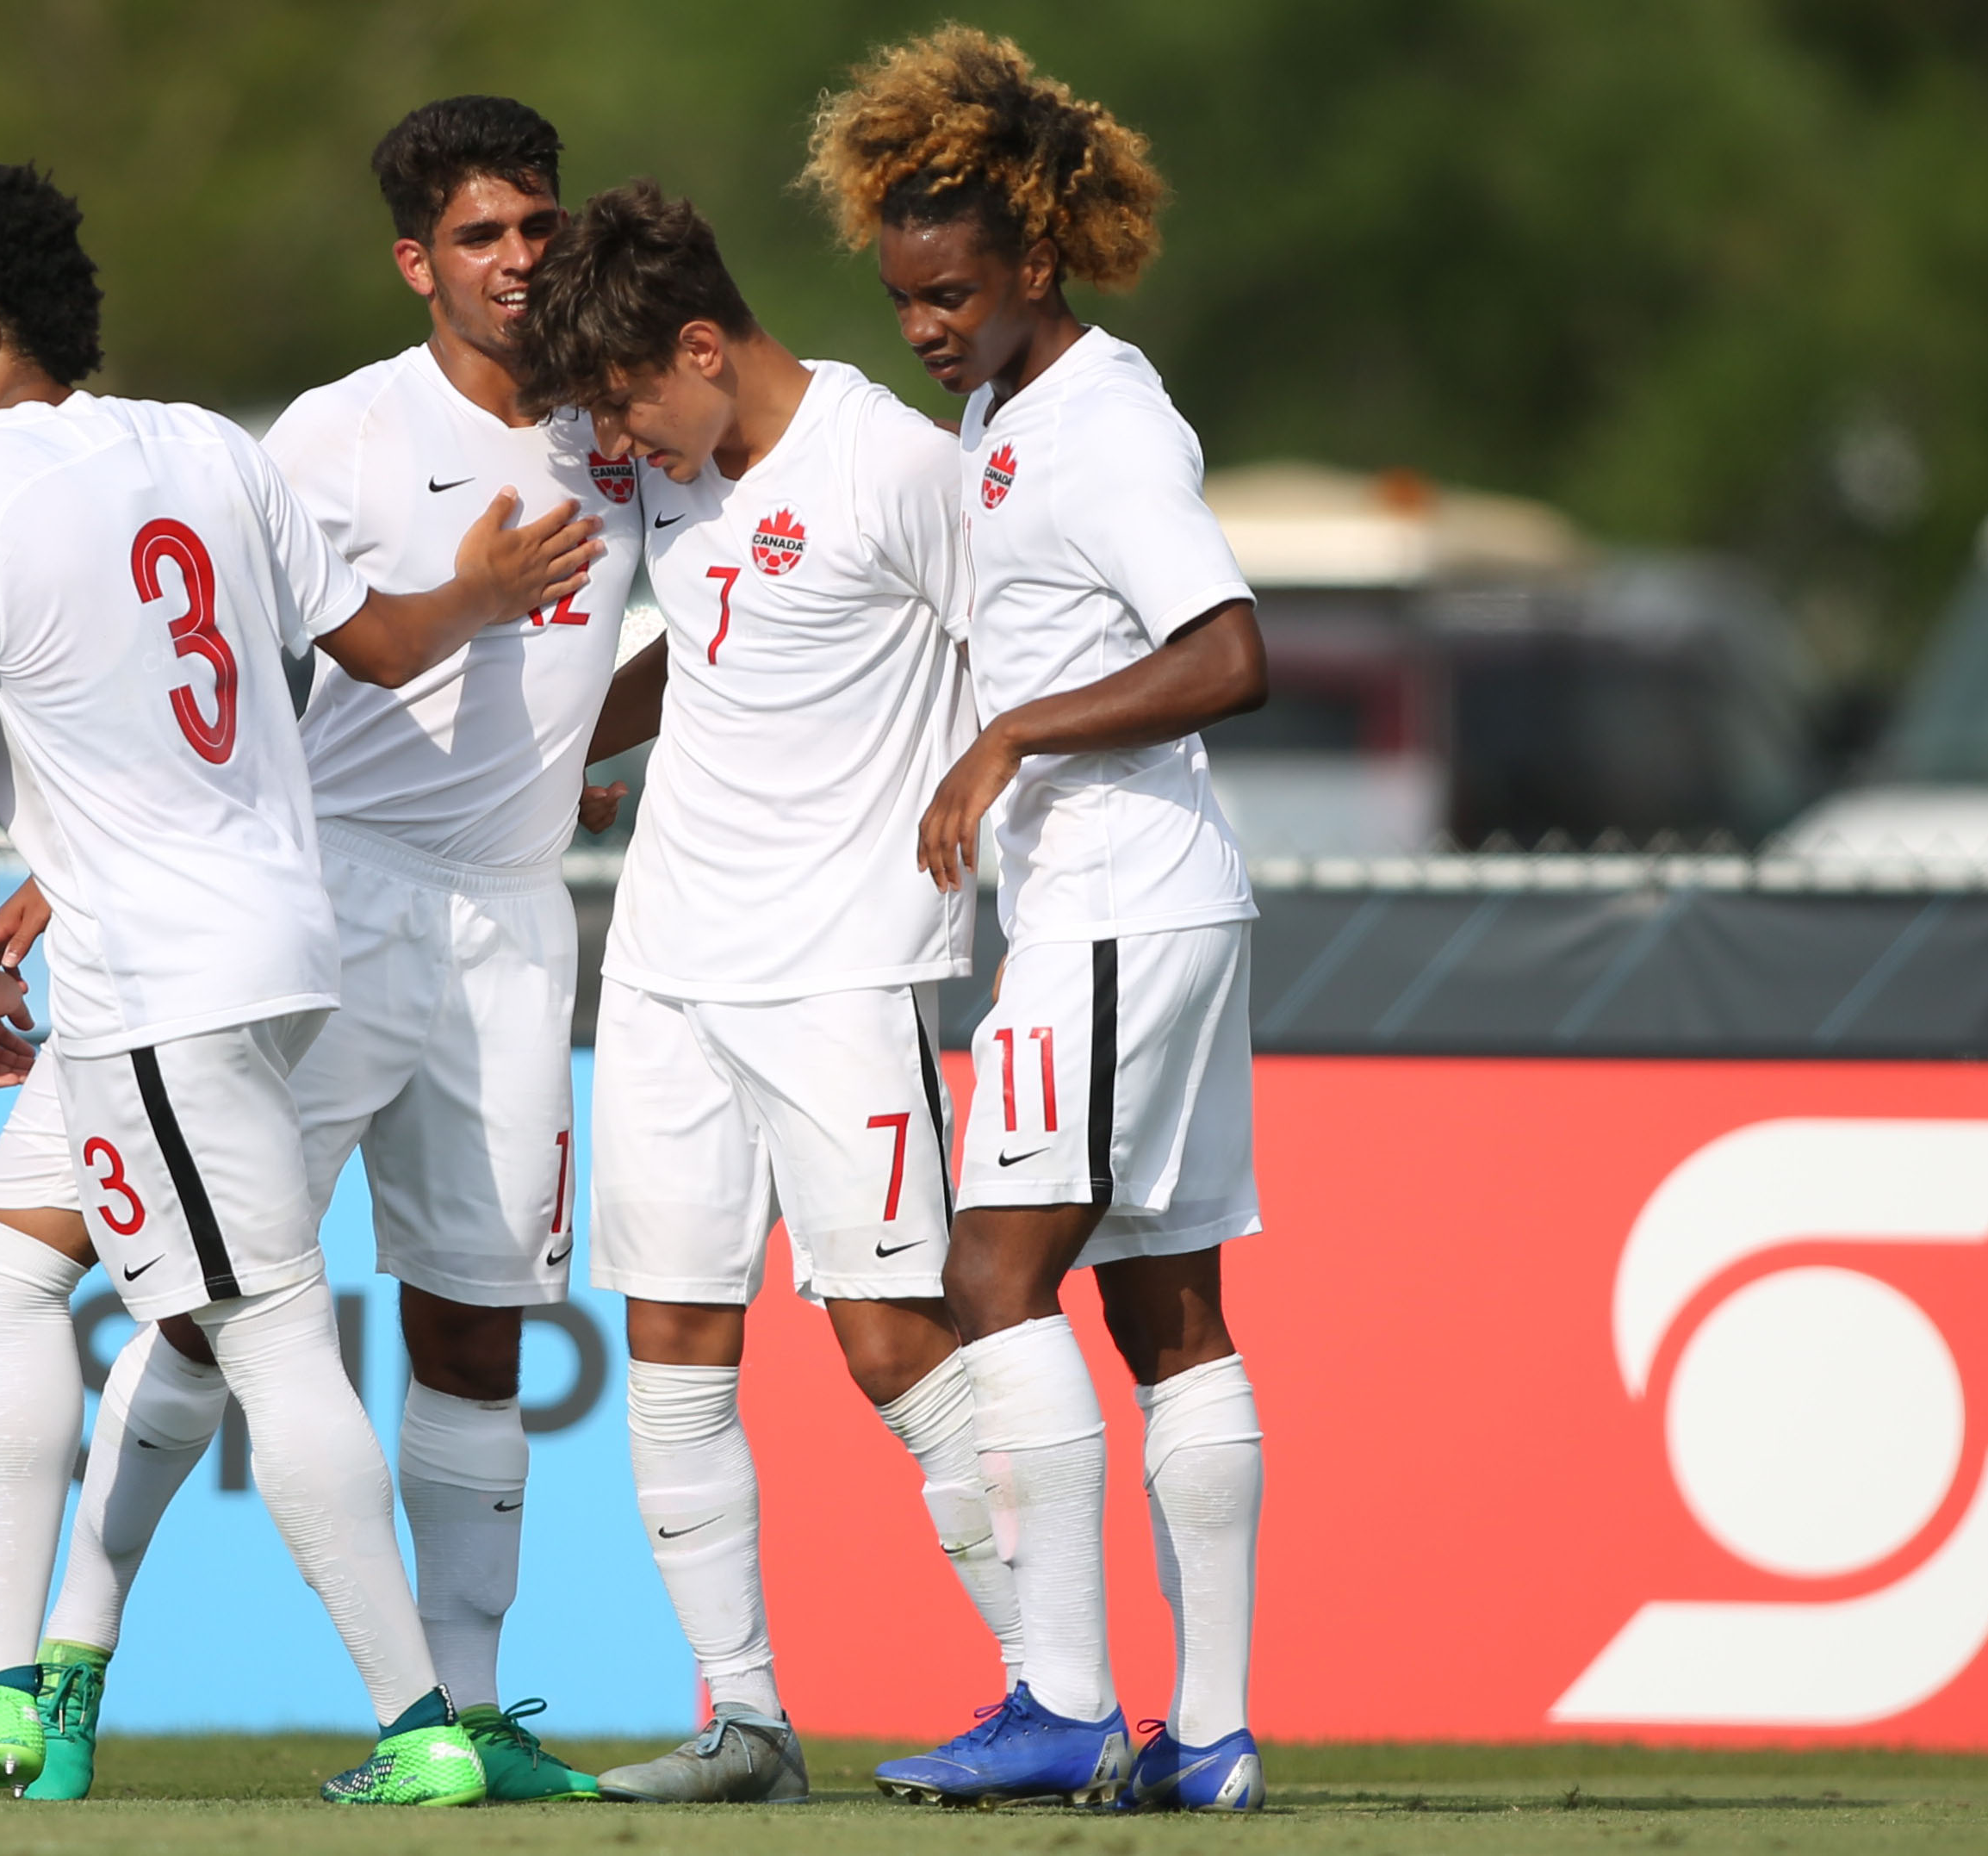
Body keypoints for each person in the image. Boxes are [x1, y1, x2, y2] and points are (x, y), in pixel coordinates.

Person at [0, 159, 598, 1808]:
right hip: (277, 939)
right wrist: (484, 594)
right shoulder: (205, 444)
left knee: (264, 1329)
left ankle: (420, 1723)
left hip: (155, 976)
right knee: (4, 1269)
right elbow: (370, 650)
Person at [12, 95, 645, 1803]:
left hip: (517, 923)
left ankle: (464, 1716)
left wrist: (577, 744)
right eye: (479, 235)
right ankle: (68, 1663)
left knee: (480, 1331)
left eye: (536, 226)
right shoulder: (342, 431)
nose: (516, 260)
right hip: (339, 907)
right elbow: (197, 657)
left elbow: (684, 630)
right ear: (415, 262)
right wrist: (85, 853)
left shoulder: (619, 424)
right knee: (215, 1311)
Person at [801, 27, 1272, 1813]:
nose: (925, 326)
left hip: (1118, 906)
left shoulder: (1101, 426)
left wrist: (1010, 735)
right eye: (904, 298)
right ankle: (1208, 1740)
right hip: (1143, 901)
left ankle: (1064, 1702)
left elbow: (1228, 652)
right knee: (1167, 1311)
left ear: (1037, 263)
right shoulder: (1005, 413)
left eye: (951, 294)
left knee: (990, 1276)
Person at [509, 179, 1023, 1805]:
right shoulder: (685, 473)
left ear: (702, 346)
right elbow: (713, 641)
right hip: (666, 966)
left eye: (623, 404)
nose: (618, 443)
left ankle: (1061, 1691)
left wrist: (997, 810)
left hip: (839, 974)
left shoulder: (894, 465)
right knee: (671, 1338)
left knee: (889, 1344)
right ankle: (744, 1724)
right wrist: (582, 745)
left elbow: (1019, 658)